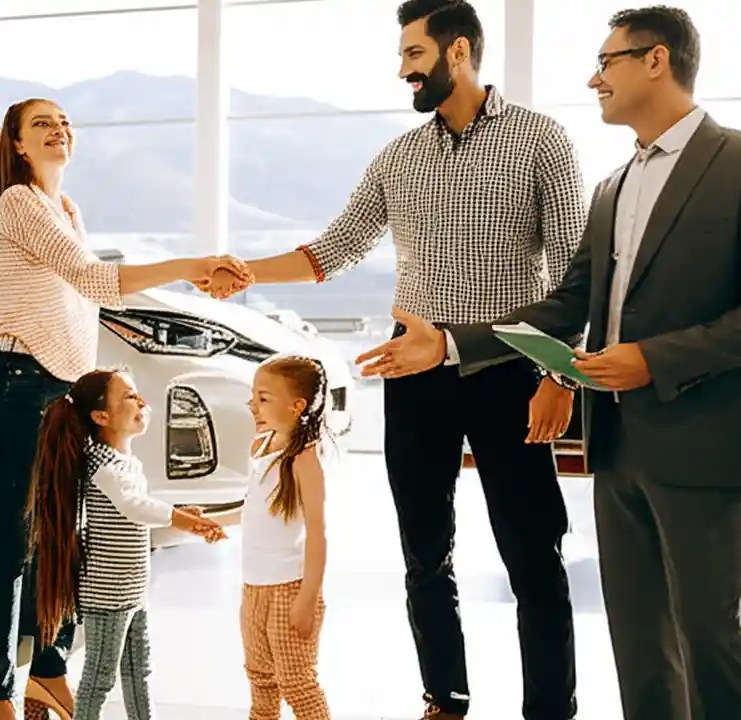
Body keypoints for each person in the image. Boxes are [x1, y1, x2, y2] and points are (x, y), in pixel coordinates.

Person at [356, 7, 741, 720]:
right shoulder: (612, 187)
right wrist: (448, 346)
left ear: (656, 60)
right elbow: (565, 305)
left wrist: (649, 359)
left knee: (707, 637)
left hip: (704, 441)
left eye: (609, 61)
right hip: (619, 444)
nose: (594, 77)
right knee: (639, 643)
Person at [208, 2, 588, 717]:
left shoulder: (541, 140)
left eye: (414, 53)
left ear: (460, 52)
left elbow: (572, 273)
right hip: (415, 380)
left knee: (534, 560)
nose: (403, 70)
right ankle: (445, 698)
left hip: (512, 373)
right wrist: (245, 270)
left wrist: (561, 375)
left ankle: (550, 710)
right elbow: (334, 248)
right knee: (424, 559)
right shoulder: (399, 157)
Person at [0, 97, 250, 720]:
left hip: (64, 397)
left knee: (65, 545)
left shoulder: (66, 209)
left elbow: (90, 290)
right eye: (42, 124)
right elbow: (93, 280)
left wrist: (192, 283)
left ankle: (47, 674)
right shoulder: (19, 202)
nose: (58, 130)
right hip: (20, 391)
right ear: (17, 144)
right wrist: (190, 266)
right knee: (13, 547)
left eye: (65, 121)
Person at [25, 368, 227, 720]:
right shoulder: (103, 465)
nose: (142, 401)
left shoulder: (125, 463)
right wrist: (183, 519)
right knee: (99, 678)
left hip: (132, 589)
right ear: (101, 417)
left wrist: (180, 517)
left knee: (138, 671)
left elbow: (137, 515)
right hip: (108, 592)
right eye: (130, 396)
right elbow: (134, 506)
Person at [239, 355, 333, 720]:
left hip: (290, 589)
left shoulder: (304, 460)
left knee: (297, 684)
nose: (253, 405)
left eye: (263, 398)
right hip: (254, 586)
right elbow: (257, 507)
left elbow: (317, 534)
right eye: (253, 396)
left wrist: (308, 598)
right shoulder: (259, 448)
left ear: (297, 407)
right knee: (260, 680)